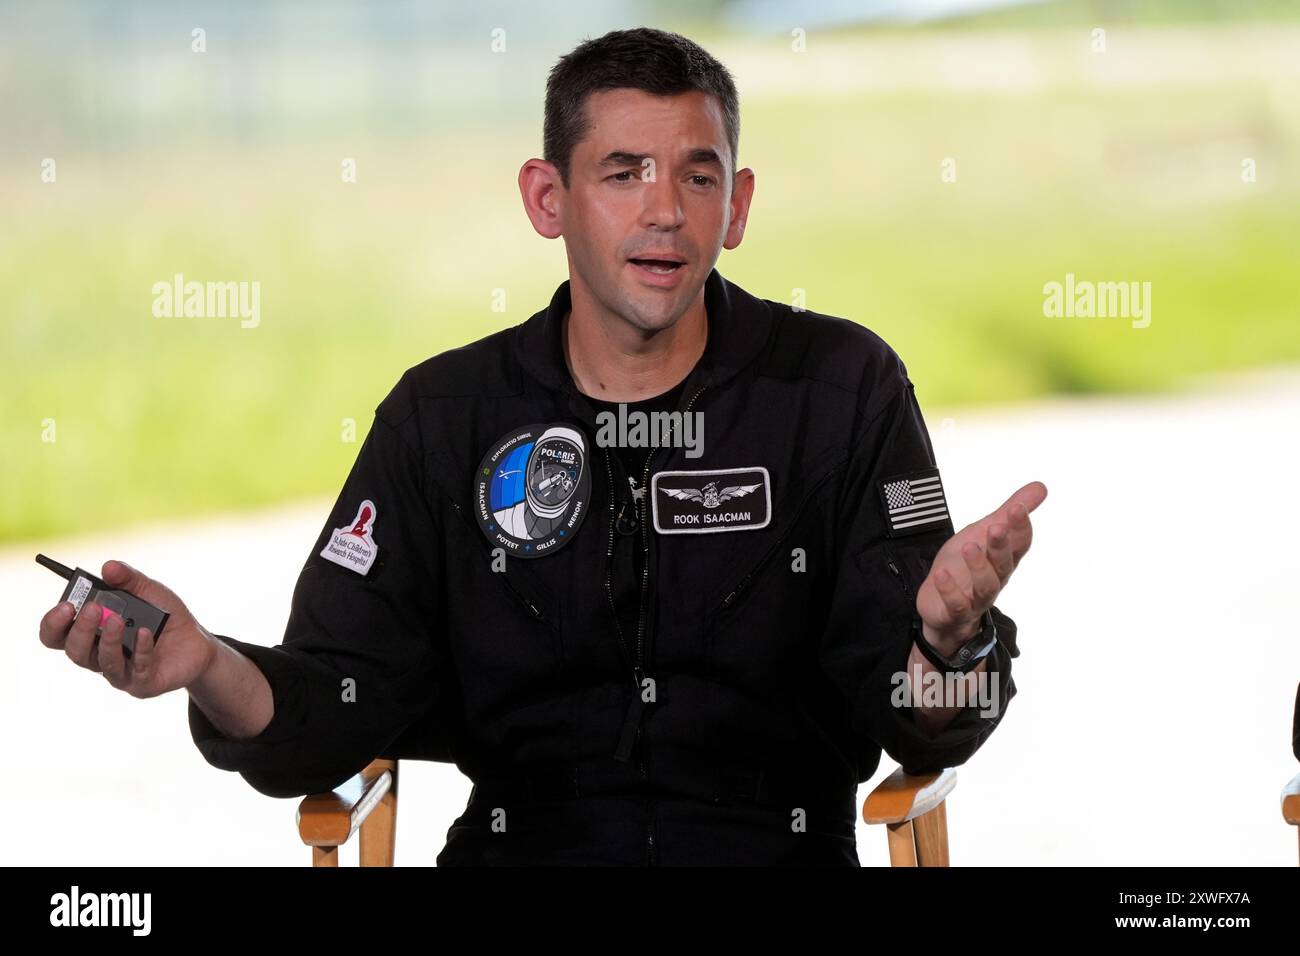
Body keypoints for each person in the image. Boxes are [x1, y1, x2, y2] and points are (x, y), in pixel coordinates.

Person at [37, 27, 1046, 866]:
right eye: (623, 173)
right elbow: (334, 702)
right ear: (546, 199)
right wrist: (207, 662)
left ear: (735, 208)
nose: (663, 209)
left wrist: (950, 643)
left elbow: (924, 721)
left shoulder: (839, 390)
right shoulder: (444, 415)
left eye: (698, 176)